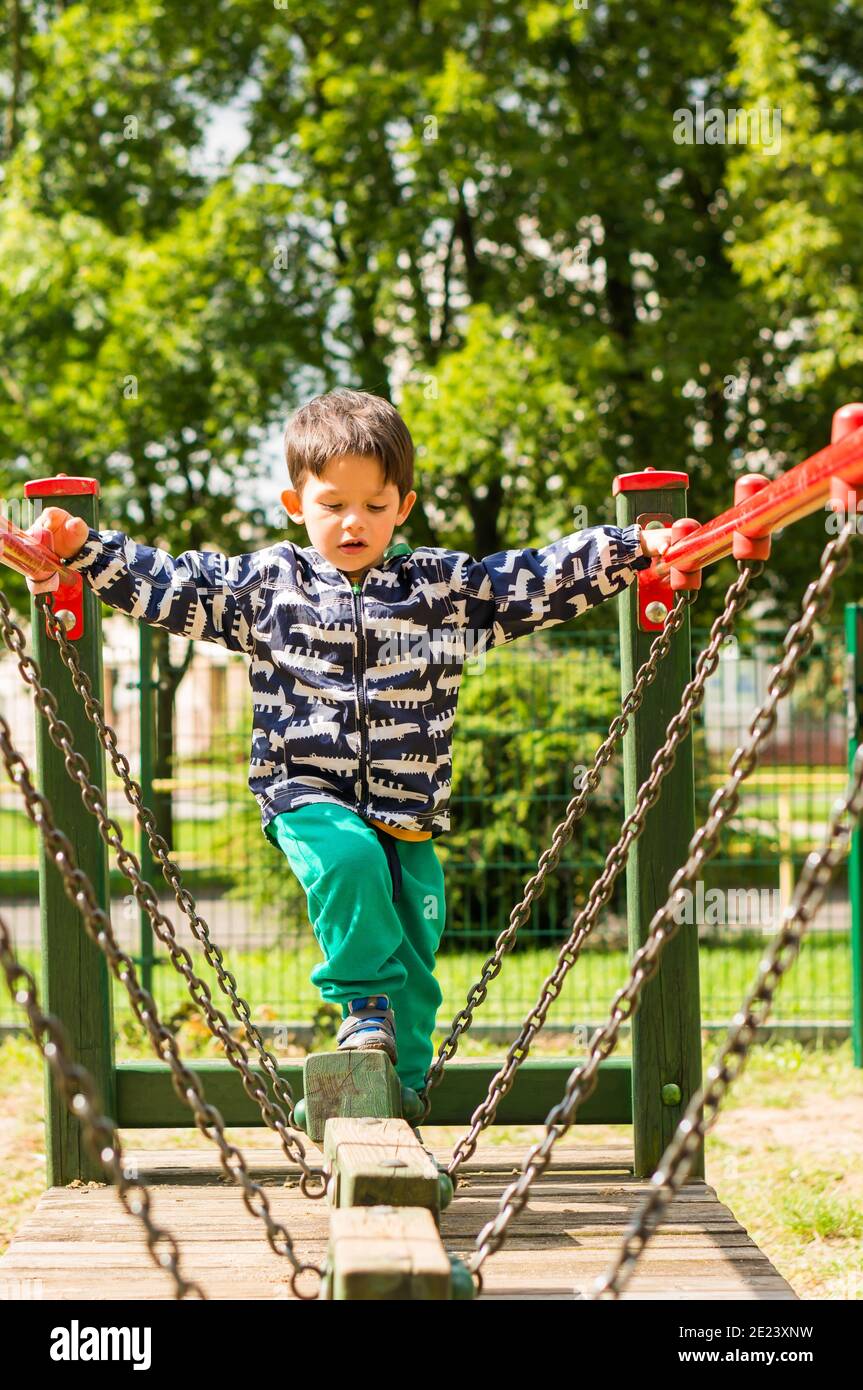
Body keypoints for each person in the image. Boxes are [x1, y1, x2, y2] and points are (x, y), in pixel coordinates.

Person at [26, 388, 672, 1098]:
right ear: (295, 503)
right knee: (350, 859)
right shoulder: (266, 587)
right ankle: (361, 1008)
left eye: (373, 506)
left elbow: (528, 580)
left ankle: (400, 1093)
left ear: (403, 505)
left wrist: (630, 546)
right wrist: (87, 548)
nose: (353, 523)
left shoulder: (439, 591)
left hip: (409, 810)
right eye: (333, 504)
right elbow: (175, 582)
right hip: (303, 793)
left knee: (416, 961)